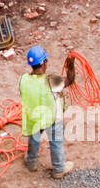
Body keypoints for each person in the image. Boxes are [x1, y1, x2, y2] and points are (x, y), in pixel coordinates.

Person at [18, 45, 74, 178]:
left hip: (34, 118)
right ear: (43, 63)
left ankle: (31, 162)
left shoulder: (23, 79)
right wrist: (71, 65)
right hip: (52, 118)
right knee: (56, 142)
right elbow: (70, 80)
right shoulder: (51, 80)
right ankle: (58, 169)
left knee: (34, 139)